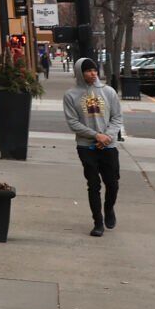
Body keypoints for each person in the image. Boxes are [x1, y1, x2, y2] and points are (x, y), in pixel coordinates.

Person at [64, 59, 123, 236]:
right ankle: (98, 222)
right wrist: (96, 136)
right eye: (88, 70)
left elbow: (117, 117)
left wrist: (107, 137)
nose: (93, 73)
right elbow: (73, 122)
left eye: (94, 70)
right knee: (93, 184)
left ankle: (109, 208)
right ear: (79, 73)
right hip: (86, 147)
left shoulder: (109, 92)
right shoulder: (71, 95)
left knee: (112, 184)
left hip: (109, 146)